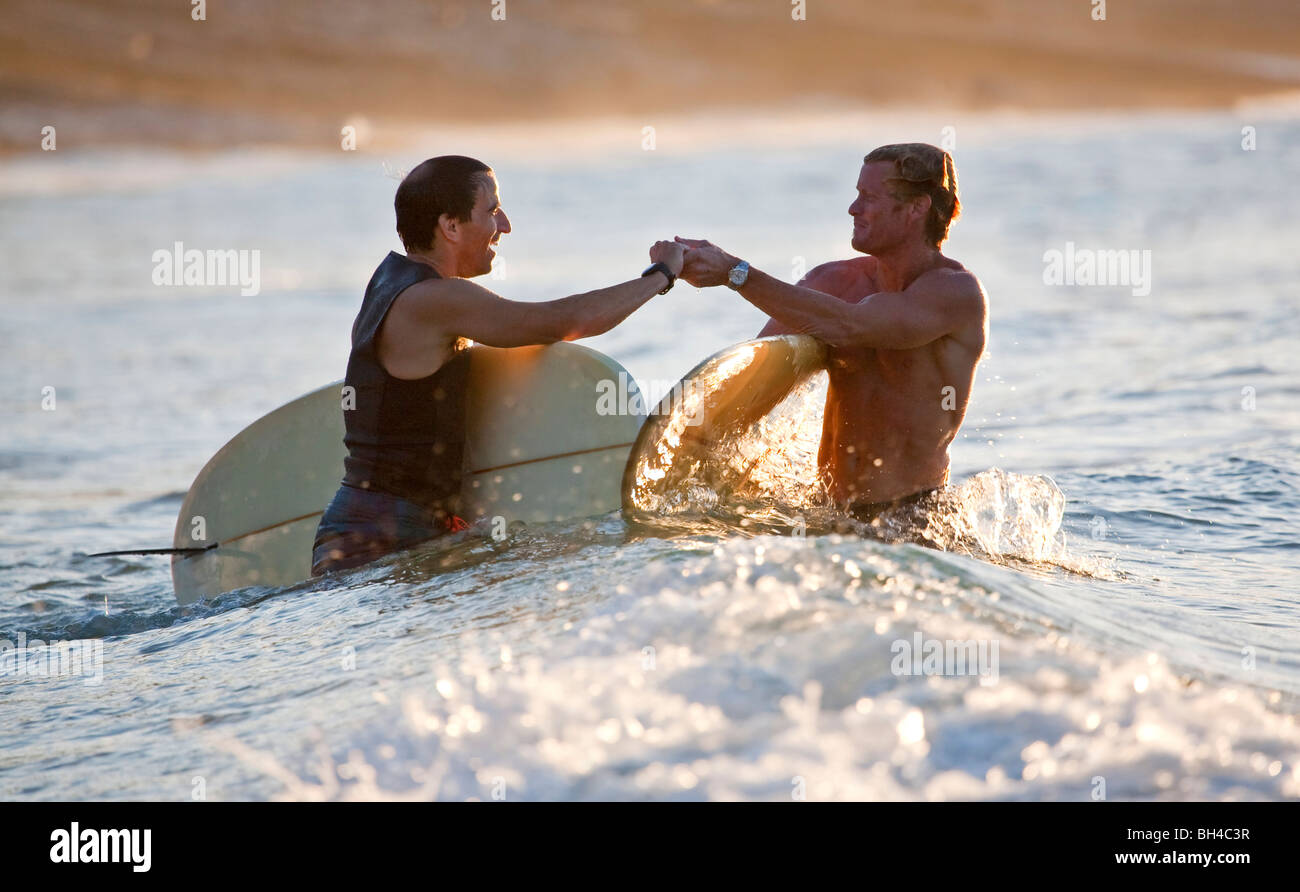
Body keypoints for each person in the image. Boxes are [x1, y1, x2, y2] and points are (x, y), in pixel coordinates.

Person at [312, 155, 682, 574]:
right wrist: (662, 275)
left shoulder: (387, 283)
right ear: (450, 226)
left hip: (381, 528)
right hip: (378, 541)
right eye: (491, 211)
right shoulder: (435, 299)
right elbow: (564, 323)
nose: (504, 225)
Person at [676, 143, 987, 525]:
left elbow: (854, 325)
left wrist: (734, 273)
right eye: (856, 195)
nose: (853, 209)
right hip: (829, 517)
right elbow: (750, 384)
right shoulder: (831, 283)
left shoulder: (954, 294)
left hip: (914, 521)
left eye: (868, 197)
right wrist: (684, 443)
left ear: (916, 208)